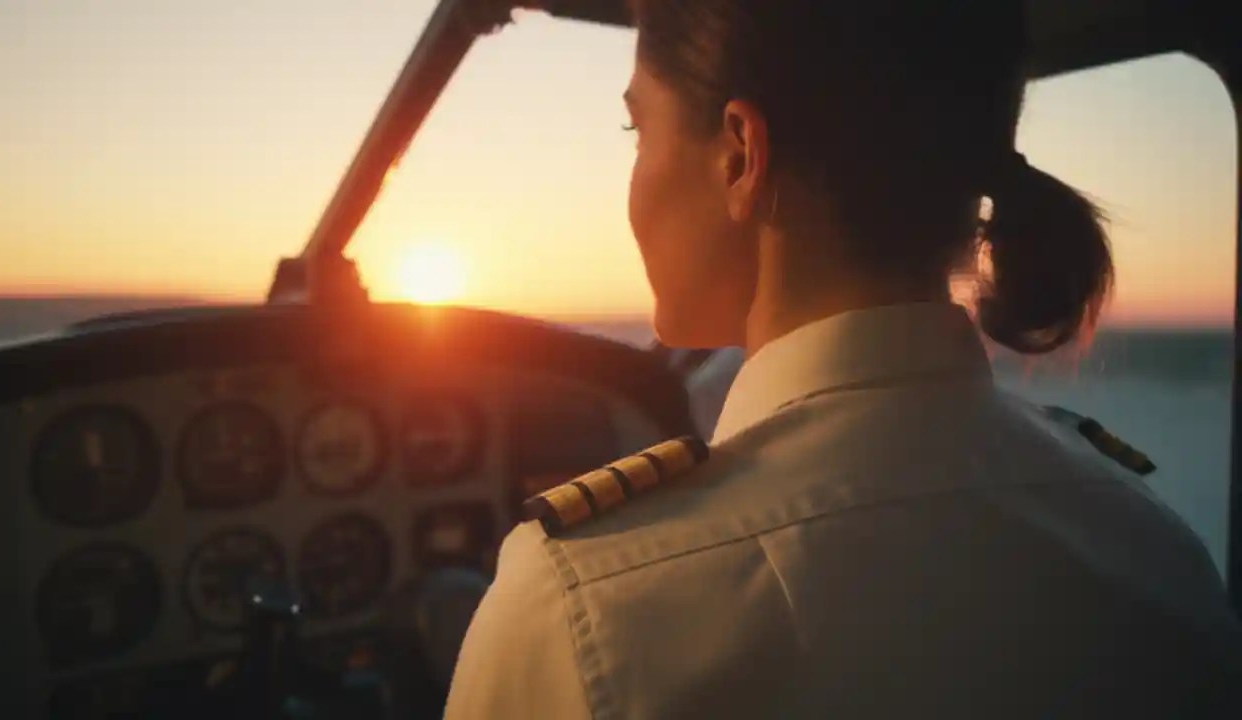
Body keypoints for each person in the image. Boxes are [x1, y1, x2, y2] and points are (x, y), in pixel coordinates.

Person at [444, 1, 1242, 717]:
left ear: (738, 157)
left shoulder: (581, 618)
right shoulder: (1163, 554)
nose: (634, 173)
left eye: (636, 129)